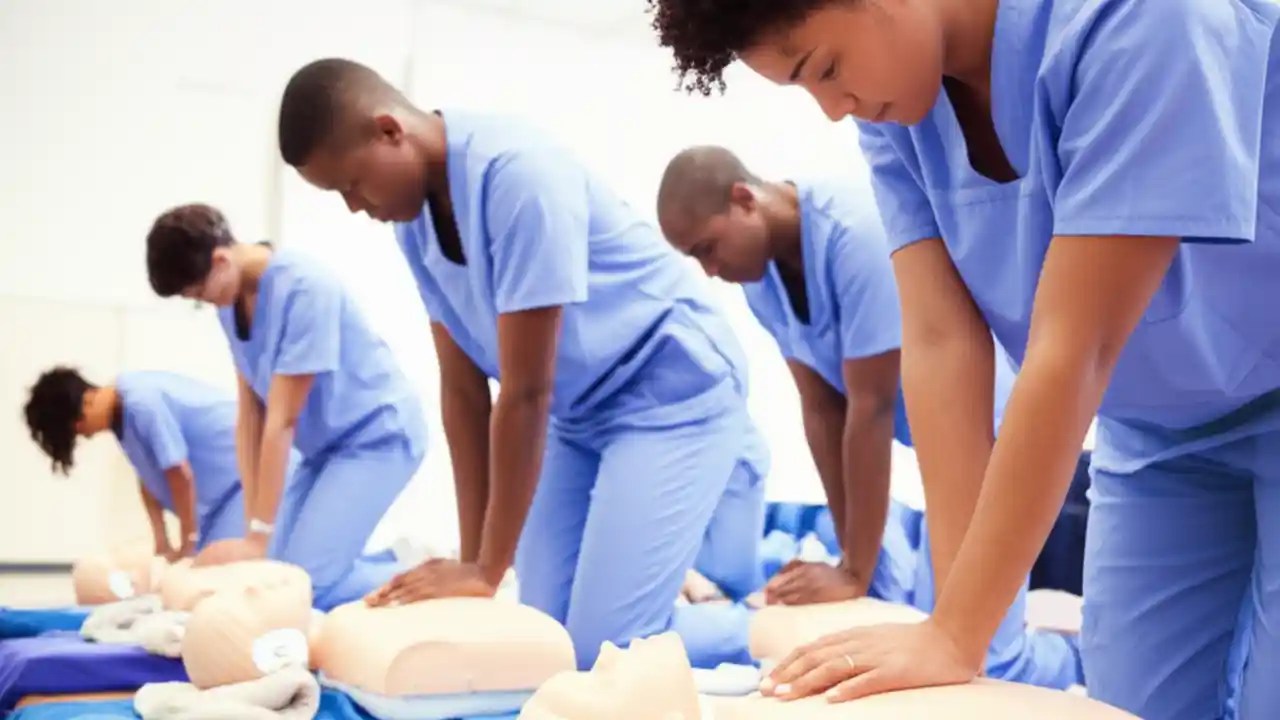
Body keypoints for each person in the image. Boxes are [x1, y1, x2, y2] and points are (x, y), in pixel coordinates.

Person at [649, 1, 1280, 718]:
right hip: (1155, 434)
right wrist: (952, 630)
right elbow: (942, 343)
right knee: (1130, 705)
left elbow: (1077, 344)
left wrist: (956, 632)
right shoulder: (898, 113)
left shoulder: (1139, 19)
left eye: (824, 68)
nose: (830, 109)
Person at [274, 58, 770, 670]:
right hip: (578, 411)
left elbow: (525, 393)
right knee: (543, 637)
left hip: (672, 394)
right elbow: (462, 391)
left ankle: (762, 626)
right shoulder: (412, 224)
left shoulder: (518, 174)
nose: (354, 206)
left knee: (602, 650)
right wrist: (471, 558)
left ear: (389, 130)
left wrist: (486, 568)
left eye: (351, 183)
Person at [656, 145, 1079, 690]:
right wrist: (852, 563)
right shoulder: (761, 282)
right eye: (696, 259)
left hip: (988, 428)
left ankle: (1077, 660)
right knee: (917, 620)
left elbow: (870, 409)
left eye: (708, 248)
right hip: (924, 441)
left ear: (745, 200)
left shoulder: (855, 232)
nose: (710, 271)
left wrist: (853, 569)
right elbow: (821, 411)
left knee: (981, 654)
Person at [145, 204, 428, 610]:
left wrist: (258, 538)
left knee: (307, 588)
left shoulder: (305, 287)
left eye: (199, 294)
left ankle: (429, 570)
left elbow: (282, 419)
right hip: (325, 450)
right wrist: (250, 533)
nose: (205, 304)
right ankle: (382, 561)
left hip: (378, 435)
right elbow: (251, 416)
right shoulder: (231, 305)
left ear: (221, 260)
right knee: (275, 575)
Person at [24, 367, 247, 560]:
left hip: (242, 480)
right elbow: (150, 475)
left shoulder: (140, 401)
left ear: (88, 400)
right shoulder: (121, 420)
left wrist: (189, 542)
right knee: (201, 570)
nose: (84, 434)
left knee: (219, 571)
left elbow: (179, 473)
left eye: (78, 427)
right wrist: (161, 541)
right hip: (219, 501)